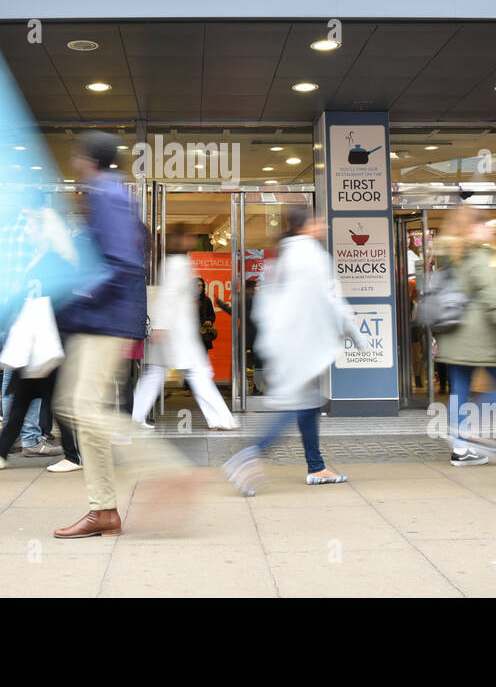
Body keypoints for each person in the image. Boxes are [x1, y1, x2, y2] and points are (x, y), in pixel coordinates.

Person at [52, 131, 188, 538]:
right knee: (78, 407)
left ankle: (166, 471)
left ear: (87, 159)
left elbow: (123, 264)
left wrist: (78, 290)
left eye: (77, 156)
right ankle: (104, 511)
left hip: (103, 319)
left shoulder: (107, 194)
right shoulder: (110, 193)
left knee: (82, 408)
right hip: (100, 319)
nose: (74, 163)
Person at [222, 207, 360, 495]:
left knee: (308, 403)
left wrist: (270, 342)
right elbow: (332, 300)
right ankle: (251, 455)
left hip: (283, 344)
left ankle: (316, 466)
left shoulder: (280, 257)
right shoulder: (312, 255)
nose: (323, 225)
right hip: (303, 345)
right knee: (295, 405)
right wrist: (357, 334)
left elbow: (265, 306)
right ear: (306, 225)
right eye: (318, 221)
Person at [0, 194, 84, 470]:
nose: (27, 230)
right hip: (37, 342)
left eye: (32, 226)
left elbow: (59, 302)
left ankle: (73, 455)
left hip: (49, 342)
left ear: (45, 231)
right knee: (24, 398)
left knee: (51, 400)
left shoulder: (55, 262)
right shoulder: (42, 258)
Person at [432, 206, 496, 467]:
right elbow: (492, 297)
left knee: (459, 390)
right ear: (472, 228)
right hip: (477, 336)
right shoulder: (477, 257)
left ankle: (460, 449)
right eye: (485, 224)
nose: (490, 229)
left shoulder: (450, 255)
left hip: (452, 334)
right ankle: (465, 430)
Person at [133, 224, 237, 431]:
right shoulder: (178, 263)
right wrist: (161, 326)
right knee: (196, 374)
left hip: (172, 331)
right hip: (175, 332)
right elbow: (169, 296)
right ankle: (221, 419)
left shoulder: (173, 262)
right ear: (181, 240)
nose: (192, 239)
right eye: (189, 236)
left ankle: (135, 416)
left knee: (157, 374)